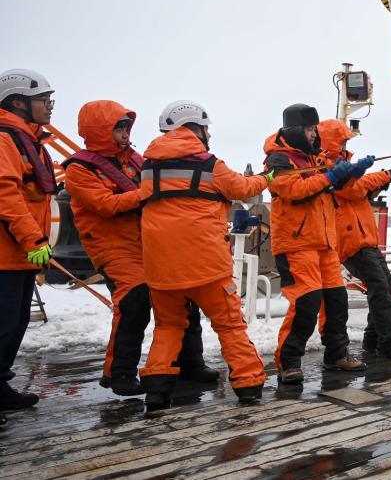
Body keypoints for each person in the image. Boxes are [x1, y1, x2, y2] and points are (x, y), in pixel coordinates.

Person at [63, 100, 217, 397]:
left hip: (150, 242)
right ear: (100, 131)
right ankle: (118, 372)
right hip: (114, 247)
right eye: (118, 128)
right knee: (134, 300)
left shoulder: (135, 159)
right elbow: (106, 206)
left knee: (184, 294)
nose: (124, 133)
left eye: (126, 127)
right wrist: (150, 191)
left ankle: (190, 362)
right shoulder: (79, 170)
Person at [138, 100, 271, 411]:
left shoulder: (147, 167)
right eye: (205, 128)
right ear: (196, 128)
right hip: (206, 266)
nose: (208, 134)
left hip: (161, 268)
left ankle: (156, 391)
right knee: (229, 326)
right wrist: (270, 177)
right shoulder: (211, 165)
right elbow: (242, 188)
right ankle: (249, 384)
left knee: (168, 327)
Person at [264, 104, 365, 384]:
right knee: (306, 302)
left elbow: (332, 187)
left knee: (336, 300)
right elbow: (294, 191)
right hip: (297, 244)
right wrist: (330, 176)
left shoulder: (314, 159)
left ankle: (336, 353)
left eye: (314, 129)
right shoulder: (277, 161)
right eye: (309, 129)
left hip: (324, 243)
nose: (313, 134)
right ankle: (289, 360)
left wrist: (352, 172)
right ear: (296, 130)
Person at [318, 119, 391, 362]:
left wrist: (382, 183)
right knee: (380, 287)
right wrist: (383, 176)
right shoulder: (328, 168)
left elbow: (358, 192)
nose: (347, 143)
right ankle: (389, 344)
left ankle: (374, 338)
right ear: (333, 141)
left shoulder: (342, 166)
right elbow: (353, 190)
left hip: (363, 240)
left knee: (385, 284)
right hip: (352, 243)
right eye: (343, 139)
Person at [0, 69, 56, 411]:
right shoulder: (5, 139)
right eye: (43, 100)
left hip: (19, 253)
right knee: (3, 324)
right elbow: (5, 194)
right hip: (8, 252)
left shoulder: (28, 139)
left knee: (14, 324)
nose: (49, 106)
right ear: (19, 102)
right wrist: (34, 239)